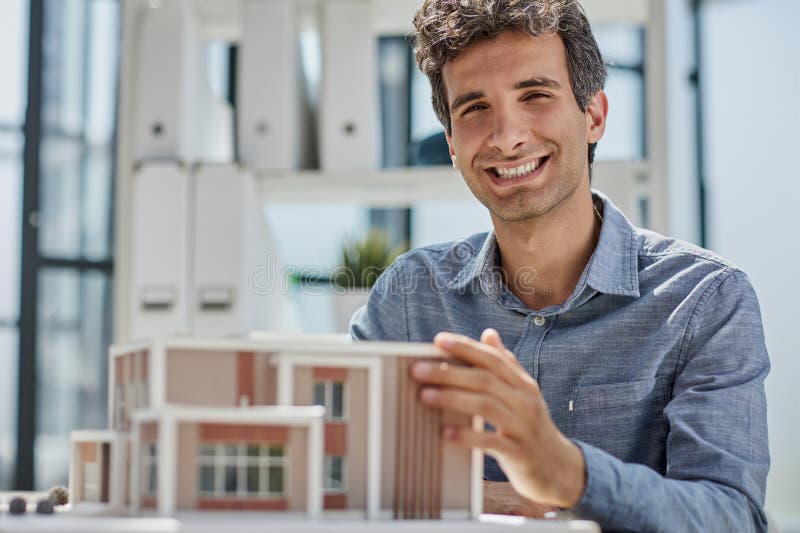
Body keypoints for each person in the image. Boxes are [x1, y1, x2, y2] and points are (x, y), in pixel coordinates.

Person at [350, 0, 770, 531]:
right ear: (453, 145)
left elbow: (733, 517)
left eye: (535, 95)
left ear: (592, 116)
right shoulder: (409, 298)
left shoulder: (707, 299)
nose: (506, 136)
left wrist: (564, 473)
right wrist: (489, 496)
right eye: (475, 108)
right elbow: (344, 477)